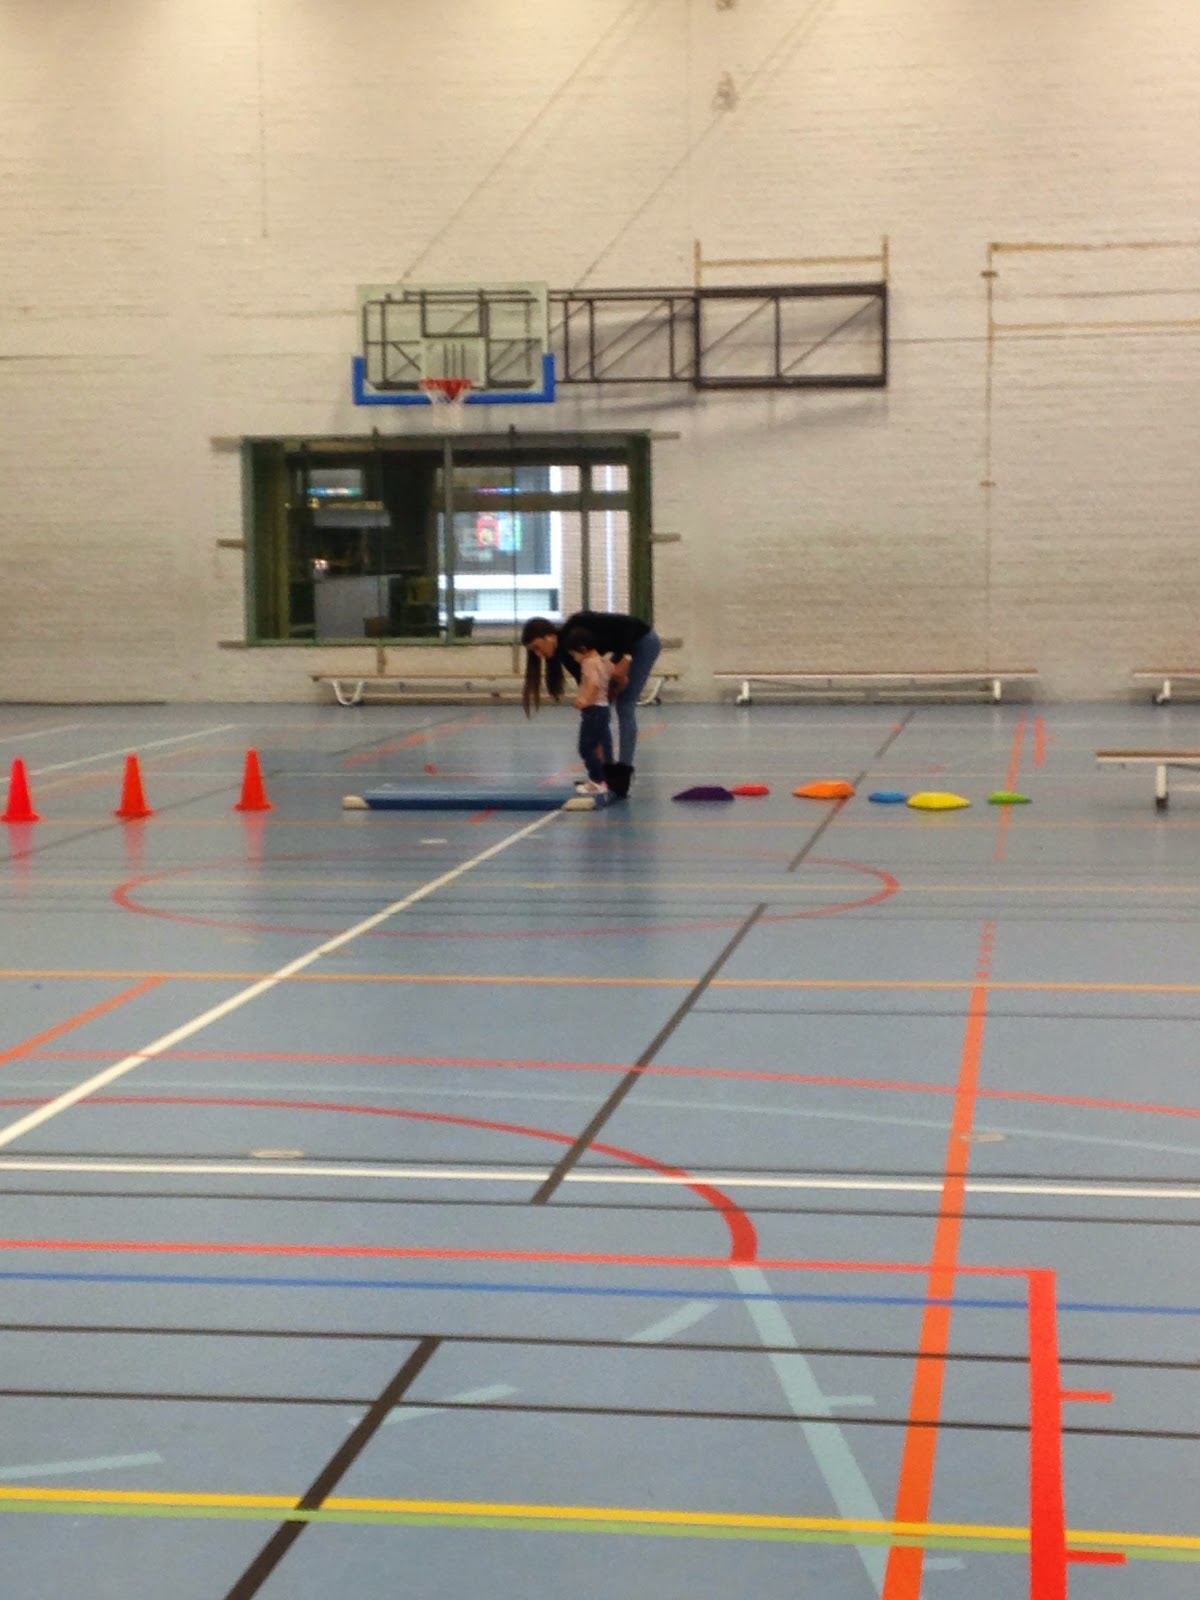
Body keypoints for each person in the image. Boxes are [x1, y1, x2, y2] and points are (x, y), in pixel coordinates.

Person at [521, 610, 662, 797]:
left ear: (549, 636)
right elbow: (590, 691)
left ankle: (624, 772)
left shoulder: (577, 629)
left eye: (538, 647)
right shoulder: (567, 654)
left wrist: (626, 661)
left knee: (625, 705)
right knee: (598, 706)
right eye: (534, 651)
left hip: (641, 640)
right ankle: (607, 771)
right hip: (623, 646)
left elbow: (629, 629)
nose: (539, 655)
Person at [565, 628, 613, 795]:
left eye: (574, 654)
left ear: (583, 649)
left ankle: (597, 781)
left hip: (593, 710)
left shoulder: (589, 663)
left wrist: (584, 699)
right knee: (601, 746)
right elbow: (609, 675)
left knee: (586, 747)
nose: (575, 658)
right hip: (604, 708)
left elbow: (593, 683)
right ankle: (604, 778)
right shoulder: (601, 661)